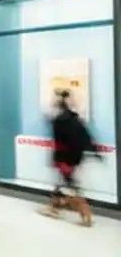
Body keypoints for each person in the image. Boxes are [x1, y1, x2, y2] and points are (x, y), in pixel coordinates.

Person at [42, 89, 98, 227]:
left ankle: (85, 214)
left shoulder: (60, 120)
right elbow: (85, 137)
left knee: (70, 186)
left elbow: (61, 136)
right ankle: (54, 208)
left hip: (65, 158)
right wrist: (95, 152)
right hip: (72, 157)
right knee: (62, 184)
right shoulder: (74, 119)